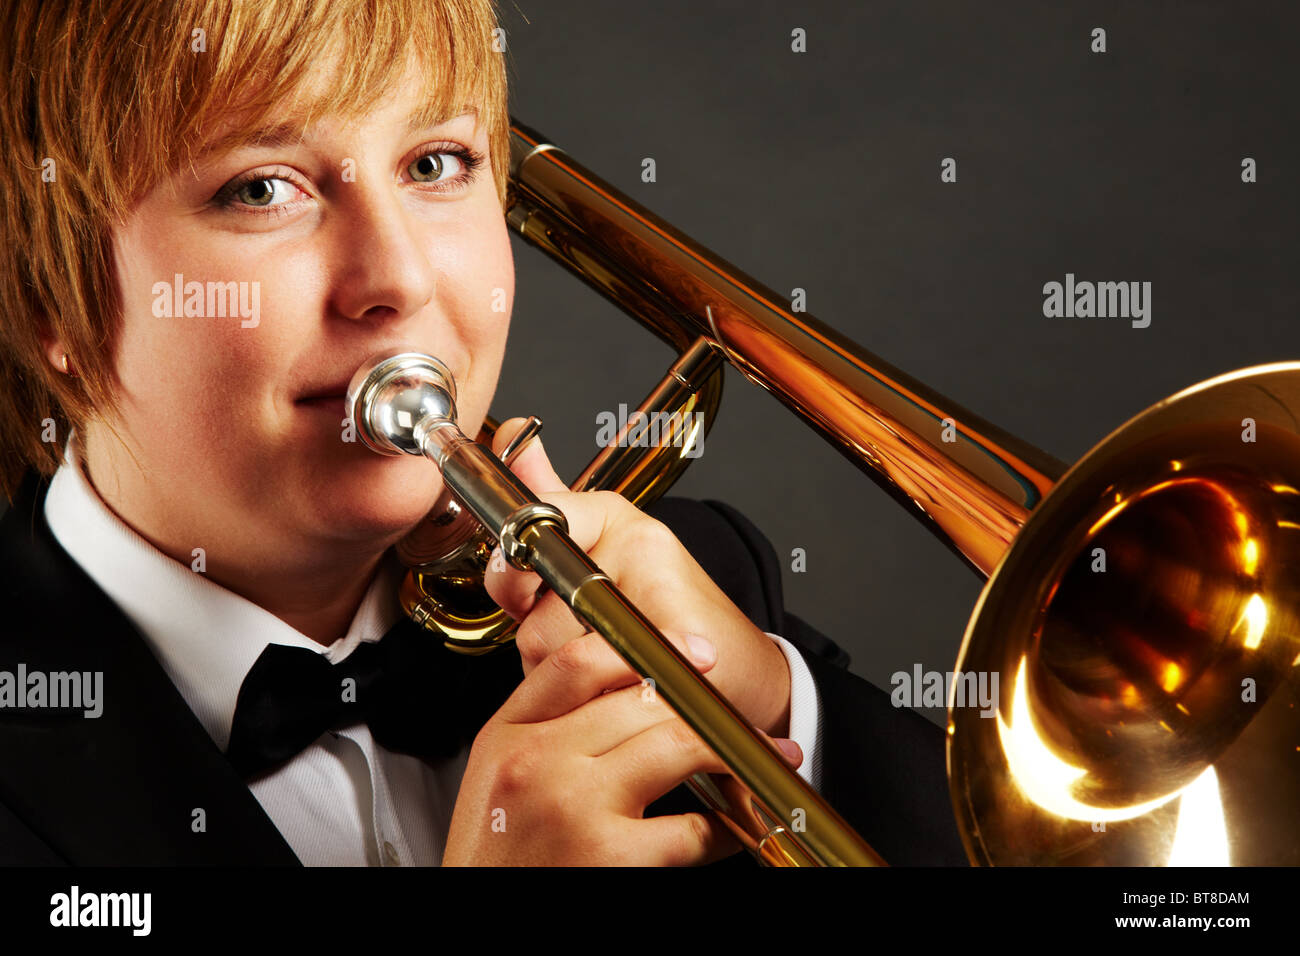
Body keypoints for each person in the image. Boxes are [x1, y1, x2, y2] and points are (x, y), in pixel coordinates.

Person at [0, 0, 965, 866]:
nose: (400, 278)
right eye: (261, 189)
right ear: (53, 292)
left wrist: (776, 708)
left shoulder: (695, 584)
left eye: (436, 163)